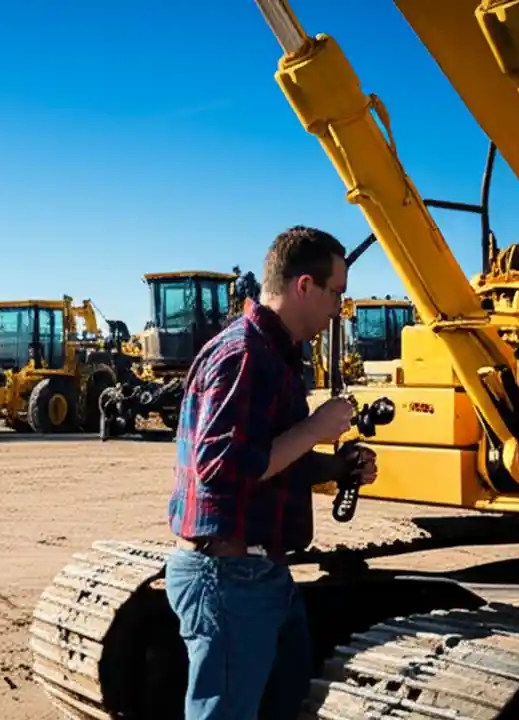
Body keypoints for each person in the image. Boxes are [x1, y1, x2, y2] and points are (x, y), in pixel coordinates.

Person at [164, 225, 378, 720]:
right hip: (229, 577)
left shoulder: (273, 357)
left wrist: (338, 465)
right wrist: (317, 427)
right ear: (304, 285)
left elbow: (269, 462)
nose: (337, 310)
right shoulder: (244, 356)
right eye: (335, 294)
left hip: (261, 574)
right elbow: (220, 470)